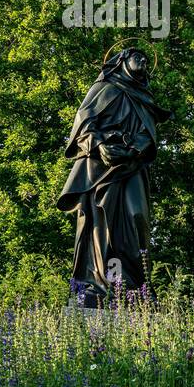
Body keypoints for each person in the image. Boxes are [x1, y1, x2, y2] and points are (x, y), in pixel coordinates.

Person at [57, 47, 170, 308]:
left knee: (136, 218)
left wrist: (133, 149)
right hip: (100, 169)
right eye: (136, 56)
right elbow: (83, 124)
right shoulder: (103, 88)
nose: (142, 60)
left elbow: (148, 134)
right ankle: (100, 284)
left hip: (131, 166)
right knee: (102, 221)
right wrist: (99, 145)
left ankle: (135, 286)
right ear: (121, 61)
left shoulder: (144, 97)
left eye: (144, 58)